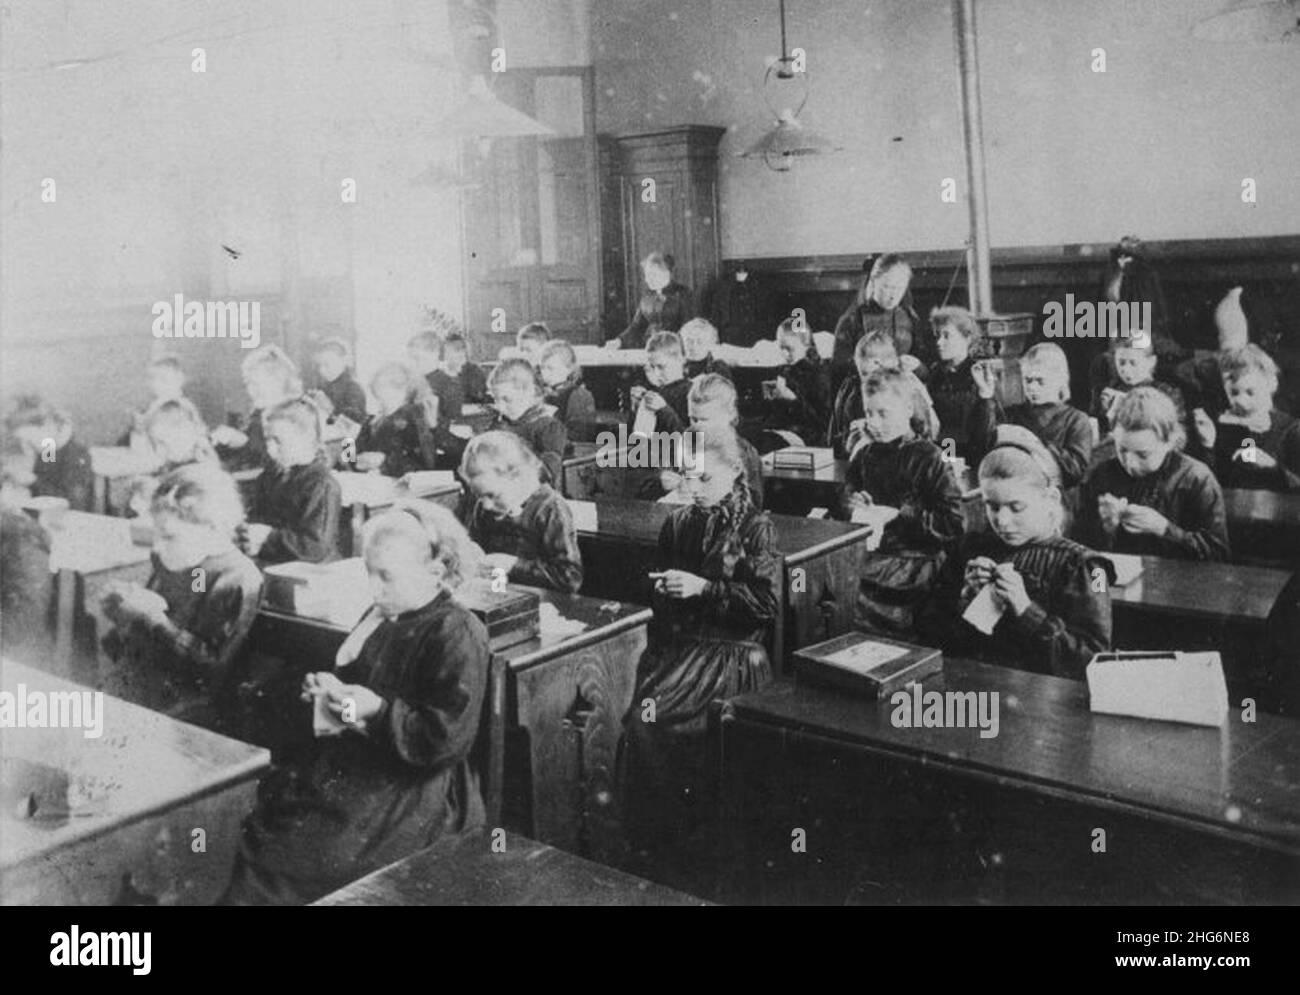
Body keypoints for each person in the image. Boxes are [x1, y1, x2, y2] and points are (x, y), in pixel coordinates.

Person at [220, 501, 490, 905]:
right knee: (264, 835)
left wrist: (376, 710)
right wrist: (330, 690)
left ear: (434, 574)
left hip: (414, 783)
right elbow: (356, 685)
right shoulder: (384, 611)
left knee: (303, 859)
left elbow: (445, 739)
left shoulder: (457, 631)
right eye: (368, 572)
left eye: (386, 577)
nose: (374, 587)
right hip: (359, 758)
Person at [619, 427, 778, 884]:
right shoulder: (679, 521)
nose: (695, 488)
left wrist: (703, 588)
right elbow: (663, 593)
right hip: (685, 646)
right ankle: (658, 841)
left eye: (706, 478)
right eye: (688, 477)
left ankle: (683, 843)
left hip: (733, 652)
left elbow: (765, 606)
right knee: (633, 709)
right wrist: (664, 587)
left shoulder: (755, 526)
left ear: (734, 474)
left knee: (652, 720)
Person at [917, 435, 1113, 679]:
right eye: (993, 506)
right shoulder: (968, 550)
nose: (1002, 520)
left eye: (1016, 507)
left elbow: (1094, 661)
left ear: (1050, 499)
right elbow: (928, 636)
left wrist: (1026, 609)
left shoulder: (1091, 569)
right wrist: (964, 601)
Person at [100, 463, 263, 726]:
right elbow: (127, 652)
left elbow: (206, 672)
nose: (156, 547)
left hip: (190, 710)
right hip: (147, 691)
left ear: (213, 529)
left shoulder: (236, 578)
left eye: (169, 537)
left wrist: (152, 617)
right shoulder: (180, 563)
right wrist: (123, 617)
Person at [834, 369, 965, 637]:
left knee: (844, 588)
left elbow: (953, 523)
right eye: (869, 413)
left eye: (883, 413)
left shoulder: (931, 457)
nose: (875, 423)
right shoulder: (865, 455)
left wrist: (898, 514)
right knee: (823, 577)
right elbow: (845, 498)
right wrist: (853, 504)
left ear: (907, 409)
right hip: (875, 553)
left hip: (914, 563)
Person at [1078, 387, 1228, 561]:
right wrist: (1105, 528)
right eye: (1122, 450)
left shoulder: (1197, 479)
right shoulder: (1102, 474)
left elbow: (1219, 554)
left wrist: (1164, 529)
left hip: (1179, 584)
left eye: (1143, 454)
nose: (1130, 463)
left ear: (1170, 442)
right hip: (1120, 580)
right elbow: (1080, 547)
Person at [461, 431, 583, 594]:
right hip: (493, 596)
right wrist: (470, 551)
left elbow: (570, 578)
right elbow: (473, 543)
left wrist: (513, 565)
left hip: (541, 604)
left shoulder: (549, 508)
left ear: (519, 478)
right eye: (479, 496)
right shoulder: (483, 506)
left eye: (492, 495)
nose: (486, 505)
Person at [972, 342, 1094, 492]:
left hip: (1053, 497)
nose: (1032, 387)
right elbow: (982, 443)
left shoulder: (1076, 420)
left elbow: (1075, 471)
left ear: (1060, 381)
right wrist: (986, 394)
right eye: (1028, 380)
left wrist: (1033, 444)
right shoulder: (1013, 414)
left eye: (1040, 381)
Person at [242, 397, 341, 564]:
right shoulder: (272, 475)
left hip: (312, 573)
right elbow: (257, 517)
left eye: (278, 441)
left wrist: (268, 537)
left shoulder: (321, 484)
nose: (270, 449)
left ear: (306, 438)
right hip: (275, 562)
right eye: (268, 440)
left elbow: (315, 547)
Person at [1193, 344, 1300, 492]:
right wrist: (1208, 446)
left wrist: (1272, 467)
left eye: (1250, 392)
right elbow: (1206, 487)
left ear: (1272, 384)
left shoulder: (1290, 430)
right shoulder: (1219, 426)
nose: (1241, 401)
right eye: (1234, 393)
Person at [827, 329, 939, 459]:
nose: (866, 385)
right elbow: (834, 434)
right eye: (861, 374)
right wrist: (850, 439)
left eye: (868, 375)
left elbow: (928, 432)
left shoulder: (908, 386)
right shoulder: (849, 388)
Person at [658, 374, 763, 508]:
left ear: (730, 415)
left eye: (705, 420)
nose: (697, 426)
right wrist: (662, 481)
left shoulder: (746, 454)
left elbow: (752, 506)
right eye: (693, 419)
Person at [831, 254, 925, 387]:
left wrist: (918, 366)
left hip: (903, 394)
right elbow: (838, 369)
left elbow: (925, 366)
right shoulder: (852, 319)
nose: (893, 295)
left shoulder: (910, 317)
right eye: (887, 287)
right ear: (874, 282)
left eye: (899, 288)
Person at [212, 346, 304, 471]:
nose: (250, 390)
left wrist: (245, 443)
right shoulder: (259, 414)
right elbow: (250, 456)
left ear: (278, 379)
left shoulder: (298, 412)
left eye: (255, 383)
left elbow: (286, 463)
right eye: (247, 384)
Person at [748, 317, 832, 450]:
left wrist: (793, 400)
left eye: (789, 348)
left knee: (762, 441)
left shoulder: (818, 374)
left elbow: (823, 422)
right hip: (786, 429)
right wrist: (773, 400)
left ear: (806, 344)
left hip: (808, 436)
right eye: (781, 347)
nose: (784, 353)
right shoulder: (787, 370)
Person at [486, 359, 567, 487]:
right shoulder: (499, 424)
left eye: (507, 399)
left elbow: (547, 472)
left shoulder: (547, 427)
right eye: (496, 399)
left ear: (531, 392)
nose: (500, 407)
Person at [6, 395, 94, 512]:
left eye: (29, 442)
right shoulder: (49, 447)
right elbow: (47, 482)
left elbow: (73, 504)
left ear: (48, 426)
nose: (26, 447)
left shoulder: (77, 455)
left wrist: (33, 482)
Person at [352, 363, 442, 477]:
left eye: (384, 390)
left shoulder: (414, 418)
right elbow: (349, 461)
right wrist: (347, 441)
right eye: (377, 392)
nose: (380, 399)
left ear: (404, 390)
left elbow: (426, 464)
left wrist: (383, 462)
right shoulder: (373, 420)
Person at [925, 306, 986, 460]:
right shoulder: (935, 374)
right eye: (938, 336)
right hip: (940, 451)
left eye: (947, 336)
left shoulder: (979, 374)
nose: (939, 342)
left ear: (967, 338)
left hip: (971, 453)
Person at [607, 252, 694, 350]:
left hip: (673, 350)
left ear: (667, 273)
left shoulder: (683, 293)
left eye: (652, 275)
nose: (647, 279)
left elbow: (688, 328)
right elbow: (637, 326)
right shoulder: (647, 296)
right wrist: (619, 341)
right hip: (649, 348)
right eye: (646, 275)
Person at [538, 340, 597, 444]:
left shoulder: (579, 395)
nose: (545, 374)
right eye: (542, 368)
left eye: (551, 368)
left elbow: (579, 434)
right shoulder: (541, 393)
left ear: (569, 369)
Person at [406, 332, 466, 428]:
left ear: (435, 353)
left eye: (417, 358)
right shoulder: (412, 384)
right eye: (412, 358)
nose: (413, 363)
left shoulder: (450, 385)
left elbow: (454, 424)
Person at [312, 339, 369, 428]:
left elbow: (352, 427)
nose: (321, 370)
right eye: (319, 365)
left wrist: (329, 408)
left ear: (343, 361)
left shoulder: (353, 389)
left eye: (327, 365)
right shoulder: (324, 387)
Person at [443, 333, 490, 404]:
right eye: (446, 352)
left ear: (464, 352)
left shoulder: (475, 372)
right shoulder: (442, 372)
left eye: (459, 350)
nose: (447, 356)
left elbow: (480, 398)